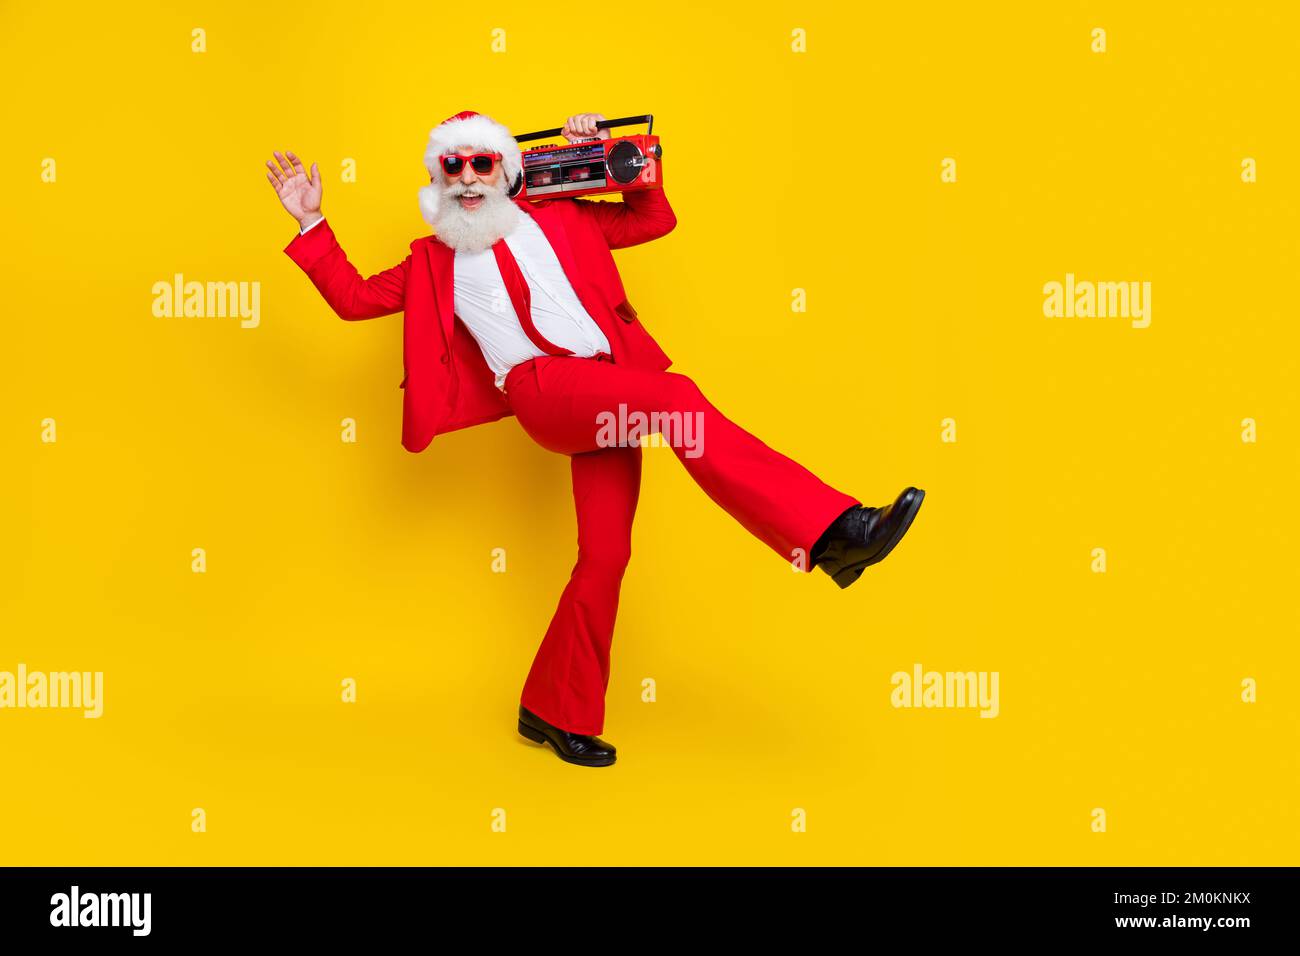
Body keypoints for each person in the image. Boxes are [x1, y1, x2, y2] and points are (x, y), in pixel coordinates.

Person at [265, 110, 925, 768]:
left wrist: (609, 152)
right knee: (678, 398)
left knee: (604, 558)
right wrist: (309, 221)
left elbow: (651, 219)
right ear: (437, 178)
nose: (467, 178)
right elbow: (352, 299)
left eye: (481, 162)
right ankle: (830, 532)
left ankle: (552, 711)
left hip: (609, 394)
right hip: (543, 392)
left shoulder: (564, 217)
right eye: (451, 165)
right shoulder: (433, 262)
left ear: (506, 169)